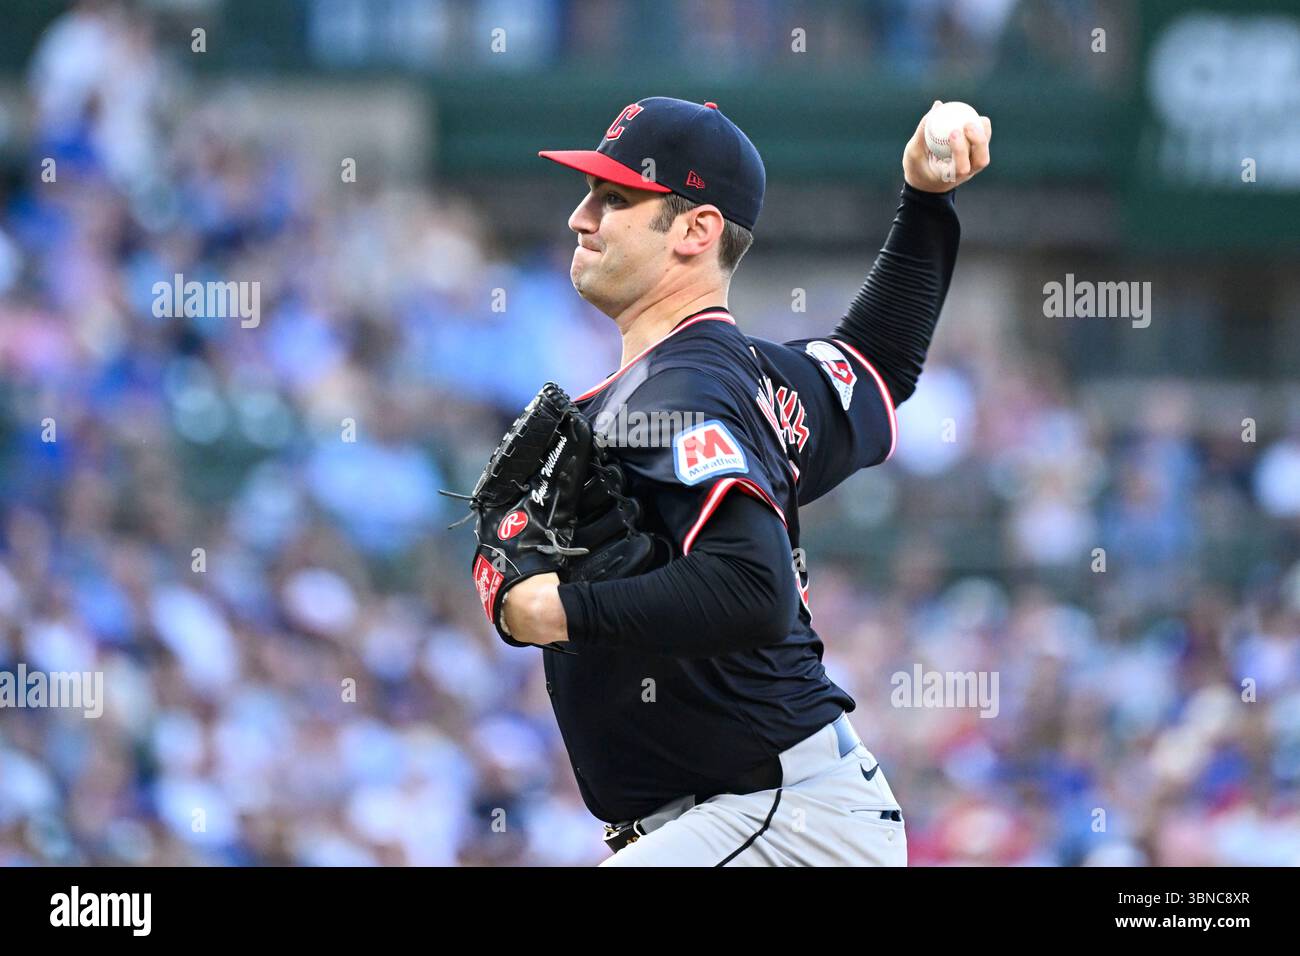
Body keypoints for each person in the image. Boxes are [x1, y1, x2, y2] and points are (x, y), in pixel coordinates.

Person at [499, 96, 991, 865]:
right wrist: (926, 200)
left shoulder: (683, 391)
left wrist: (556, 609)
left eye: (616, 198)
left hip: (773, 818)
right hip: (771, 819)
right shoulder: (745, 377)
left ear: (696, 231)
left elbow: (752, 589)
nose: (581, 217)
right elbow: (879, 365)